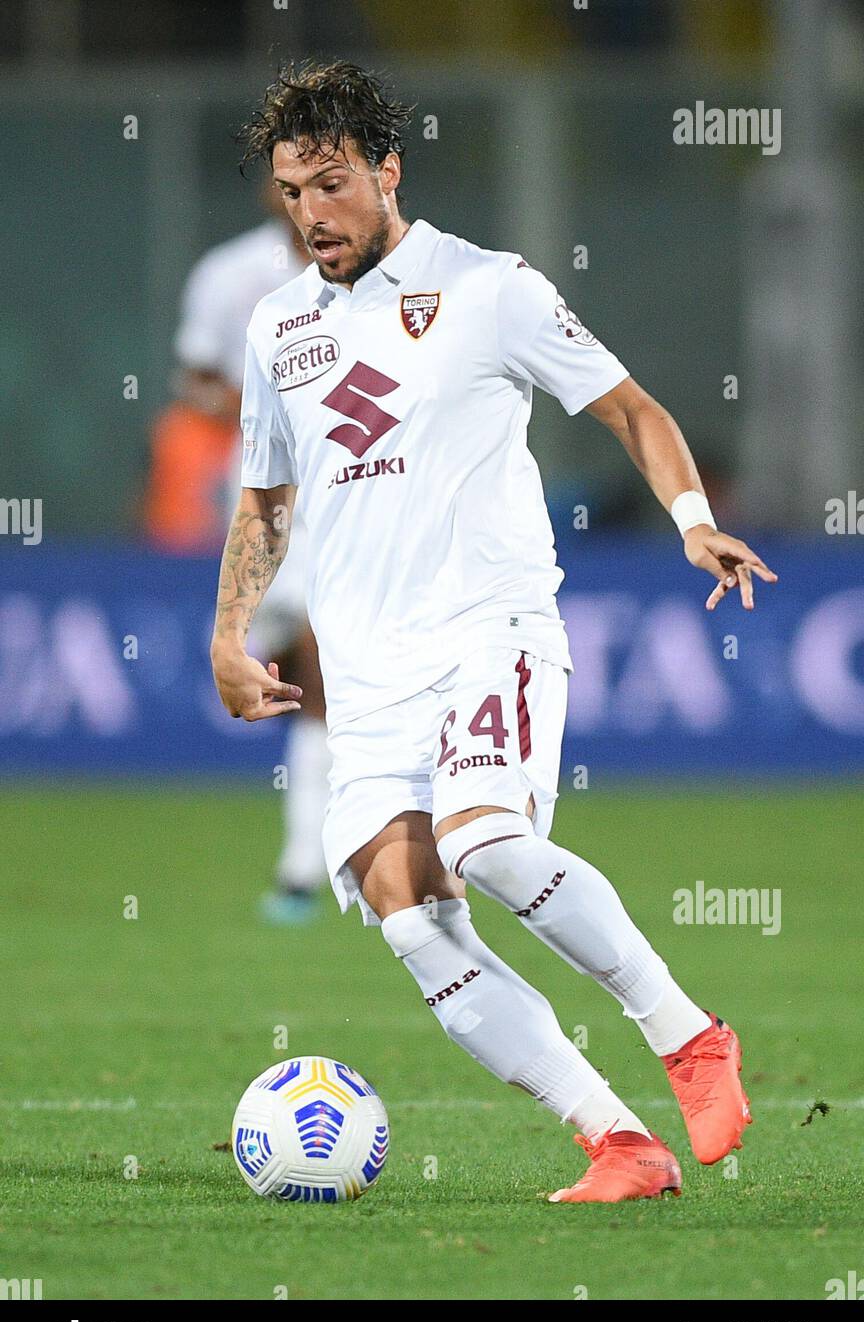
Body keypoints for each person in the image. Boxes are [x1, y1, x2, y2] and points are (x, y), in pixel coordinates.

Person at [210, 61, 778, 1203]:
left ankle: (685, 1033)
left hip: (490, 625)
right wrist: (228, 632)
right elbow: (266, 499)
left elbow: (629, 406)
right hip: (367, 676)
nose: (312, 213)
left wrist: (694, 520)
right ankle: (619, 1141)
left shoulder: (489, 288)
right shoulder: (277, 328)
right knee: (410, 916)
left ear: (387, 169)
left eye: (332, 184)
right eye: (290, 191)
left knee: (486, 842)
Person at [156, 183, 330, 922]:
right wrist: (263, 408)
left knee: (325, 669)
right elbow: (191, 377)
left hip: (355, 481)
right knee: (283, 653)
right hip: (263, 475)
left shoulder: (383, 274)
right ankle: (240, 640)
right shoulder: (231, 275)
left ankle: (304, 868)